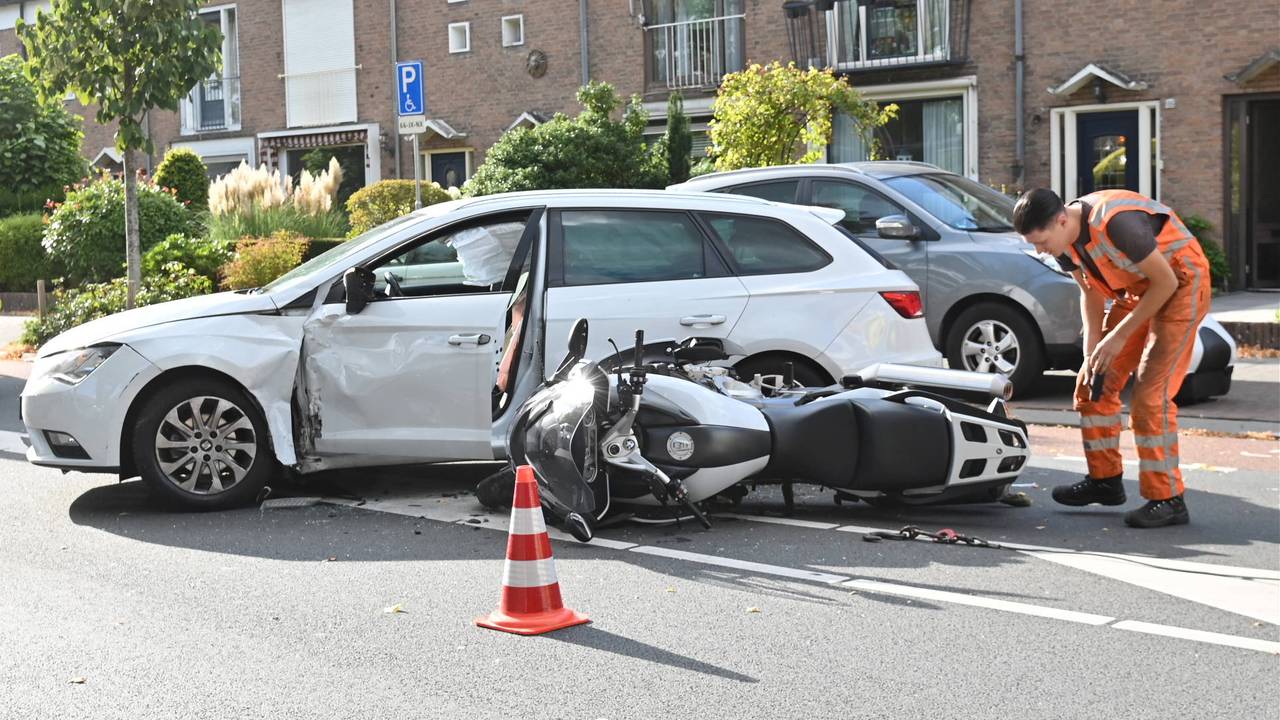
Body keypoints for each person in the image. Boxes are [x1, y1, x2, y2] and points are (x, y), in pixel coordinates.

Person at [1013, 188, 1211, 528]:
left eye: (1041, 241)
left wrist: (1118, 337)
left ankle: (1169, 500)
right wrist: (1092, 352)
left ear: (1062, 221)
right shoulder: (1064, 245)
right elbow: (1089, 292)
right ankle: (1105, 482)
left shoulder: (1118, 224)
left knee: (1150, 397)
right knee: (1092, 385)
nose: (1040, 251)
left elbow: (1164, 282)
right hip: (1136, 292)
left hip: (1180, 285)